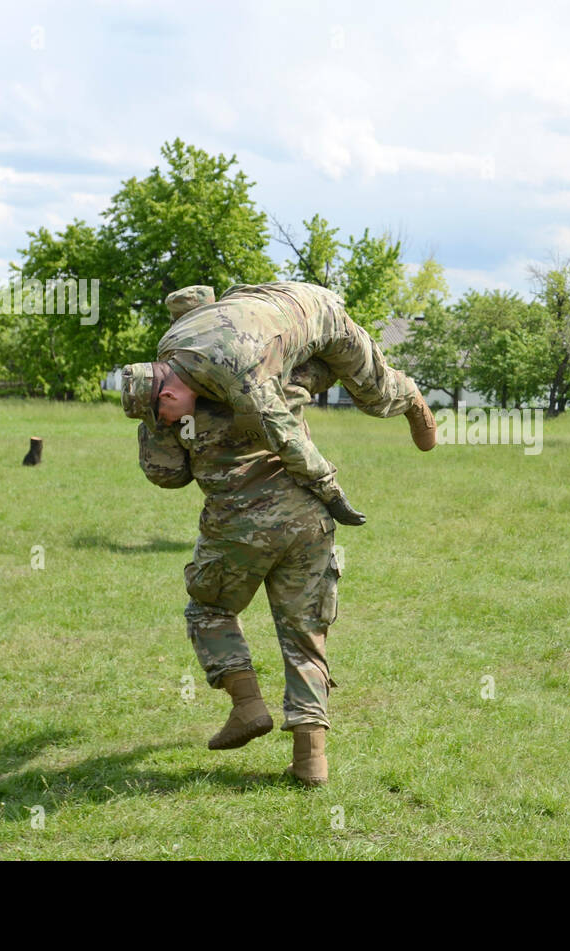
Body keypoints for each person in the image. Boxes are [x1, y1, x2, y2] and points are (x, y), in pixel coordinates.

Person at [125, 357, 341, 785]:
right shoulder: (264, 370)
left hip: (238, 526)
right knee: (304, 635)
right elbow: (325, 371)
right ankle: (311, 761)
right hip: (308, 518)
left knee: (209, 610)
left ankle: (247, 706)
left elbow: (165, 475)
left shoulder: (175, 405)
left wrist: (156, 426)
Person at [122, 281, 436, 527]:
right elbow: (196, 299)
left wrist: (331, 492)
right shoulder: (168, 348)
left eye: (161, 417)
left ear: (168, 395)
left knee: (373, 395)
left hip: (319, 315)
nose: (166, 423)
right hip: (262, 308)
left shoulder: (239, 376)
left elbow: (286, 436)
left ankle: (410, 397)